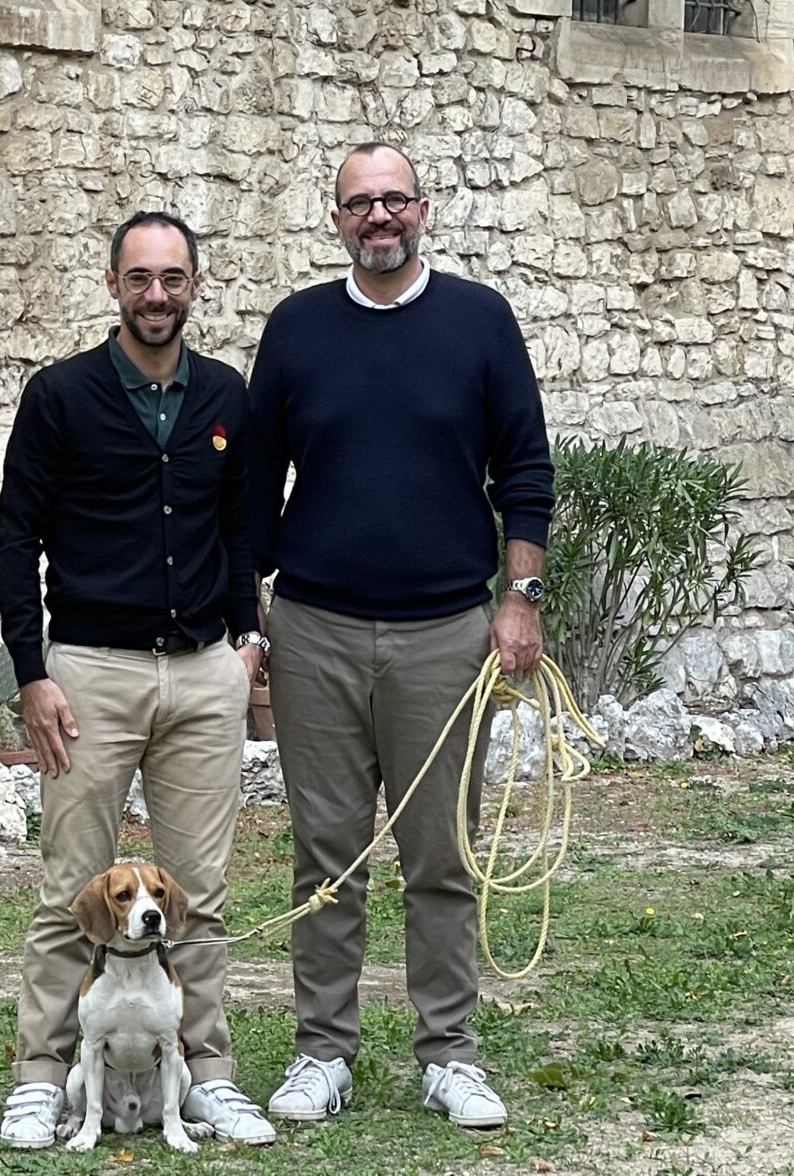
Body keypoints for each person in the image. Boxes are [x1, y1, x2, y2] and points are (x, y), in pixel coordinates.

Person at [242, 142, 553, 1132]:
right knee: (324, 855)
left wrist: (520, 598)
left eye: (394, 200)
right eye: (357, 204)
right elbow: (254, 479)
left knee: (441, 856)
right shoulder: (294, 329)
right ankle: (320, 1054)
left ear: (424, 210)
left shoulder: (478, 322)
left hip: (441, 634)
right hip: (316, 630)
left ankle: (447, 1055)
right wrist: (246, 613)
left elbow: (525, 468)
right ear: (334, 220)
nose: (378, 218)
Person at [0, 211, 277, 1150]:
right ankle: (43, 1075)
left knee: (196, 891)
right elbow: (16, 538)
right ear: (114, 285)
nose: (158, 295)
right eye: (140, 279)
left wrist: (246, 641)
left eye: (174, 278)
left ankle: (204, 1074)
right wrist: (33, 673)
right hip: (92, 673)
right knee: (71, 884)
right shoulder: (61, 396)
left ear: (196, 284)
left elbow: (241, 533)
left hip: (203, 673)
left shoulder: (225, 397)